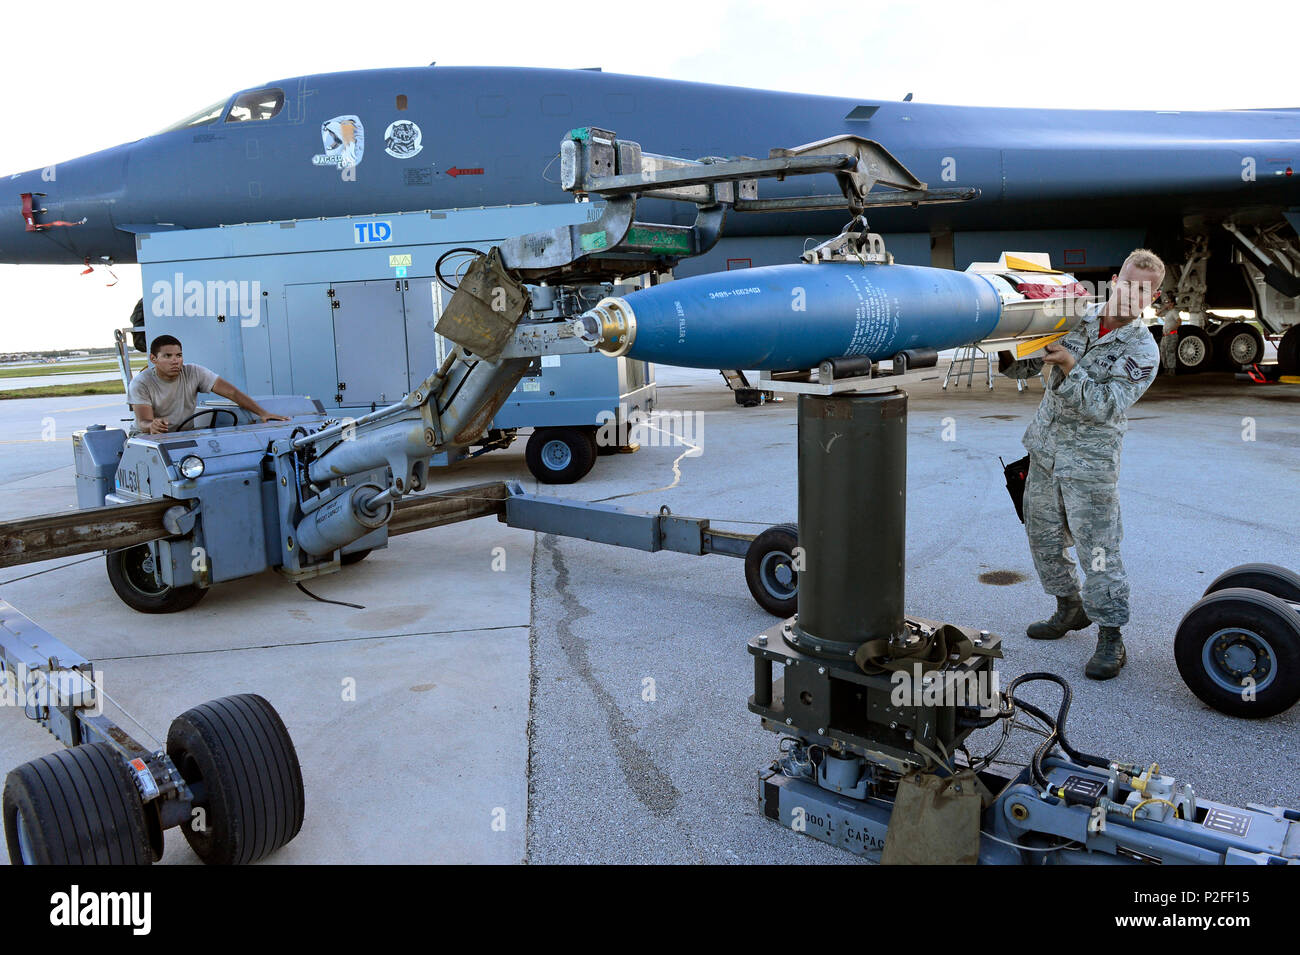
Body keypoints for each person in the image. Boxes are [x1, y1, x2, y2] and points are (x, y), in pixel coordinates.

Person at [998, 249, 1164, 680]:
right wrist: (1005, 348)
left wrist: (1071, 366)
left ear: (1154, 296)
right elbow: (1029, 362)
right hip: (1045, 450)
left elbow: (1107, 405)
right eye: (1127, 283)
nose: (1131, 294)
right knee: (1044, 538)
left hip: (1090, 460)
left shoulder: (1143, 350)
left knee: (1099, 550)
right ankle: (1068, 607)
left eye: (1143, 290)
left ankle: (1111, 634)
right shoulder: (1074, 316)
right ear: (1114, 278)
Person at [128, 335, 289, 435]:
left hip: (183, 436)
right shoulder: (141, 383)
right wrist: (152, 426)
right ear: (153, 359)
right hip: (148, 439)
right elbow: (143, 421)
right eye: (167, 356)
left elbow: (232, 393)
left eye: (179, 355)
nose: (175, 360)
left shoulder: (194, 372)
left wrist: (262, 413)